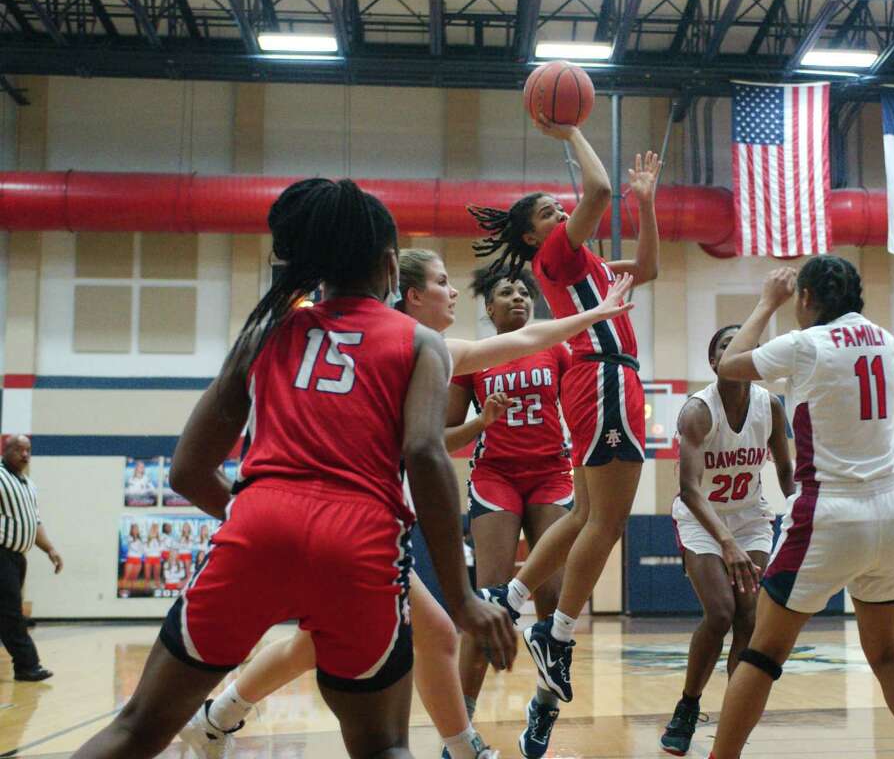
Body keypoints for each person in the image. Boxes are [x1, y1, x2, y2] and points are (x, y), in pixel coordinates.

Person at [72, 178, 517, 759]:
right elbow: (426, 454)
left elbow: (187, 470)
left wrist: (259, 522)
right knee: (383, 746)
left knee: (135, 731)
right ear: (389, 266)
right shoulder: (419, 342)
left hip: (256, 525)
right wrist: (461, 597)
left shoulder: (265, 331)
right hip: (360, 543)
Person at [179, 246, 635, 759]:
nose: (456, 290)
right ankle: (462, 748)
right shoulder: (412, 348)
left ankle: (216, 717)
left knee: (364, 639)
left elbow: (525, 340)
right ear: (412, 293)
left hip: (315, 521)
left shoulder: (412, 346)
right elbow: (425, 449)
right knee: (420, 644)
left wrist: (596, 314)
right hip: (352, 523)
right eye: (443, 281)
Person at [470, 117, 660, 735]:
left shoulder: (590, 265)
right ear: (533, 235)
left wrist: (649, 204)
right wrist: (573, 132)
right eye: (550, 211)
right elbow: (599, 190)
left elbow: (650, 266)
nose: (562, 214)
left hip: (609, 380)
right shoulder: (556, 257)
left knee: (584, 516)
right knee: (607, 521)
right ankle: (558, 634)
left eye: (560, 209)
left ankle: (516, 600)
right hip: (603, 377)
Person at [708, 259, 894, 759]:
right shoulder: (888, 341)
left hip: (830, 513)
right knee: (888, 653)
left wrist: (767, 301)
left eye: (796, 299)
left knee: (762, 653)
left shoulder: (806, 344)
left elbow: (729, 366)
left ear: (807, 297)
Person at [450, 267, 575, 758]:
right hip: (496, 476)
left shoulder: (556, 348)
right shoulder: (473, 359)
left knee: (555, 597)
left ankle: (544, 705)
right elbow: (444, 434)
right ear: (490, 309)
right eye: (508, 292)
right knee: (490, 604)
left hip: (551, 472)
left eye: (525, 291)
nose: (520, 297)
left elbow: (581, 413)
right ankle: (459, 729)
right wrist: (483, 420)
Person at [658, 326, 793, 756]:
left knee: (748, 616)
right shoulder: (698, 411)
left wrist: (808, 509)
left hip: (750, 517)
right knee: (719, 613)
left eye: (746, 346)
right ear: (713, 362)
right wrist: (726, 543)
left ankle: (733, 718)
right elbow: (691, 489)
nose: (737, 351)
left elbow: (786, 476)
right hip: (703, 519)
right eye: (725, 346)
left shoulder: (769, 405)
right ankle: (688, 705)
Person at [0, 435, 62, 683]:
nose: (25, 455)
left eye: (28, 450)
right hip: (1, 555)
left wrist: (50, 550)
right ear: (6, 450)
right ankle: (27, 665)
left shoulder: (27, 483)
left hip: (17, 558)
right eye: (19, 449)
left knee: (7, 612)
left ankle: (26, 665)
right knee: (11, 612)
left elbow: (34, 523)